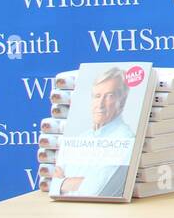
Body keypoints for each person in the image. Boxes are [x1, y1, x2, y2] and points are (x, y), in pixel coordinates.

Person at [53, 66, 135, 198]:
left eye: (109, 96)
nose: (100, 104)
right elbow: (52, 182)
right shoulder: (81, 138)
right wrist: (75, 183)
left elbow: (94, 191)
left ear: (122, 100)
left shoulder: (125, 140)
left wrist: (61, 183)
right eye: (97, 96)